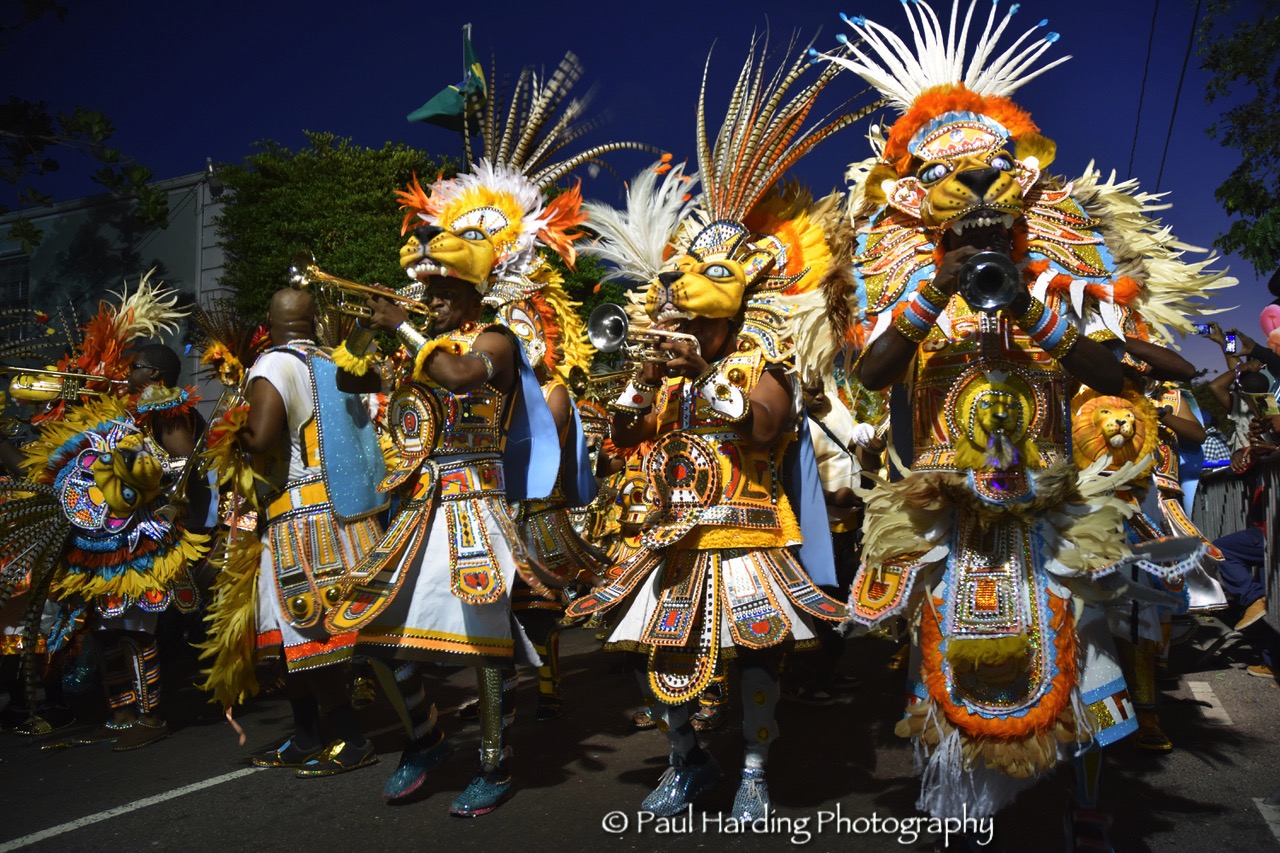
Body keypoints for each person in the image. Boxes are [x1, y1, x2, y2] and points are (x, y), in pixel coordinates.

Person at [821, 1, 1224, 837]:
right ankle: (963, 817)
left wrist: (1037, 308)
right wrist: (939, 286)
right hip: (950, 515)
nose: (973, 199)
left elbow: (1114, 374)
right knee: (944, 678)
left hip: (1055, 508)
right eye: (947, 184)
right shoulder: (908, 291)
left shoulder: (1057, 287)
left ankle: (1087, 810)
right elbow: (870, 374)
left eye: (992, 186)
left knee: (1090, 668)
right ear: (914, 199)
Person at [235, 287, 385, 777]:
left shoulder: (273, 364)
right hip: (347, 512)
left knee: (308, 630)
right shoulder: (335, 359)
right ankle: (306, 736)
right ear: (313, 321)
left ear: (269, 322)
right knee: (288, 633)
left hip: (300, 519)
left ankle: (350, 736)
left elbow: (260, 437)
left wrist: (229, 435)